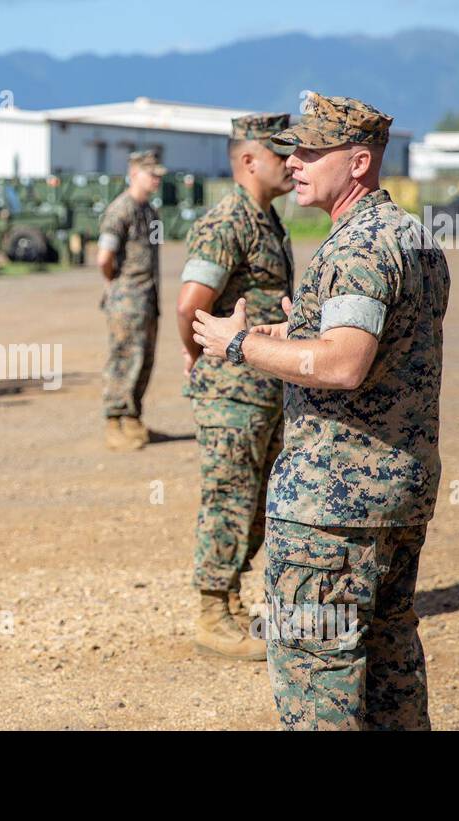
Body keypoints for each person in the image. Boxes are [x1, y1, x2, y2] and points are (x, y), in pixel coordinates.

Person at [192, 93, 450, 730]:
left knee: (319, 682)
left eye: (311, 151)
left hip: (333, 506)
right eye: (292, 151)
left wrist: (241, 344)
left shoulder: (356, 248)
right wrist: (288, 337)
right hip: (395, 491)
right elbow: (376, 346)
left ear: (358, 162)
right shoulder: (410, 236)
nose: (295, 162)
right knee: (390, 670)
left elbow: (343, 363)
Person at [177, 113, 295, 661]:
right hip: (232, 392)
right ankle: (210, 611)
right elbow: (190, 302)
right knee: (229, 497)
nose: (293, 163)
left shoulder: (266, 219)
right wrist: (196, 348)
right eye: (281, 154)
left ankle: (229, 596)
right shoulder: (228, 220)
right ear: (249, 160)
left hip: (263, 387)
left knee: (257, 503)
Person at [96, 150, 164, 451]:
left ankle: (133, 416)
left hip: (148, 297)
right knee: (124, 358)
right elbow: (104, 258)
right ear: (134, 173)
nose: (157, 179)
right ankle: (114, 421)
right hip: (127, 298)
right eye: (152, 174)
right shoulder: (120, 210)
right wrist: (116, 285)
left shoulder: (150, 212)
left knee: (144, 358)